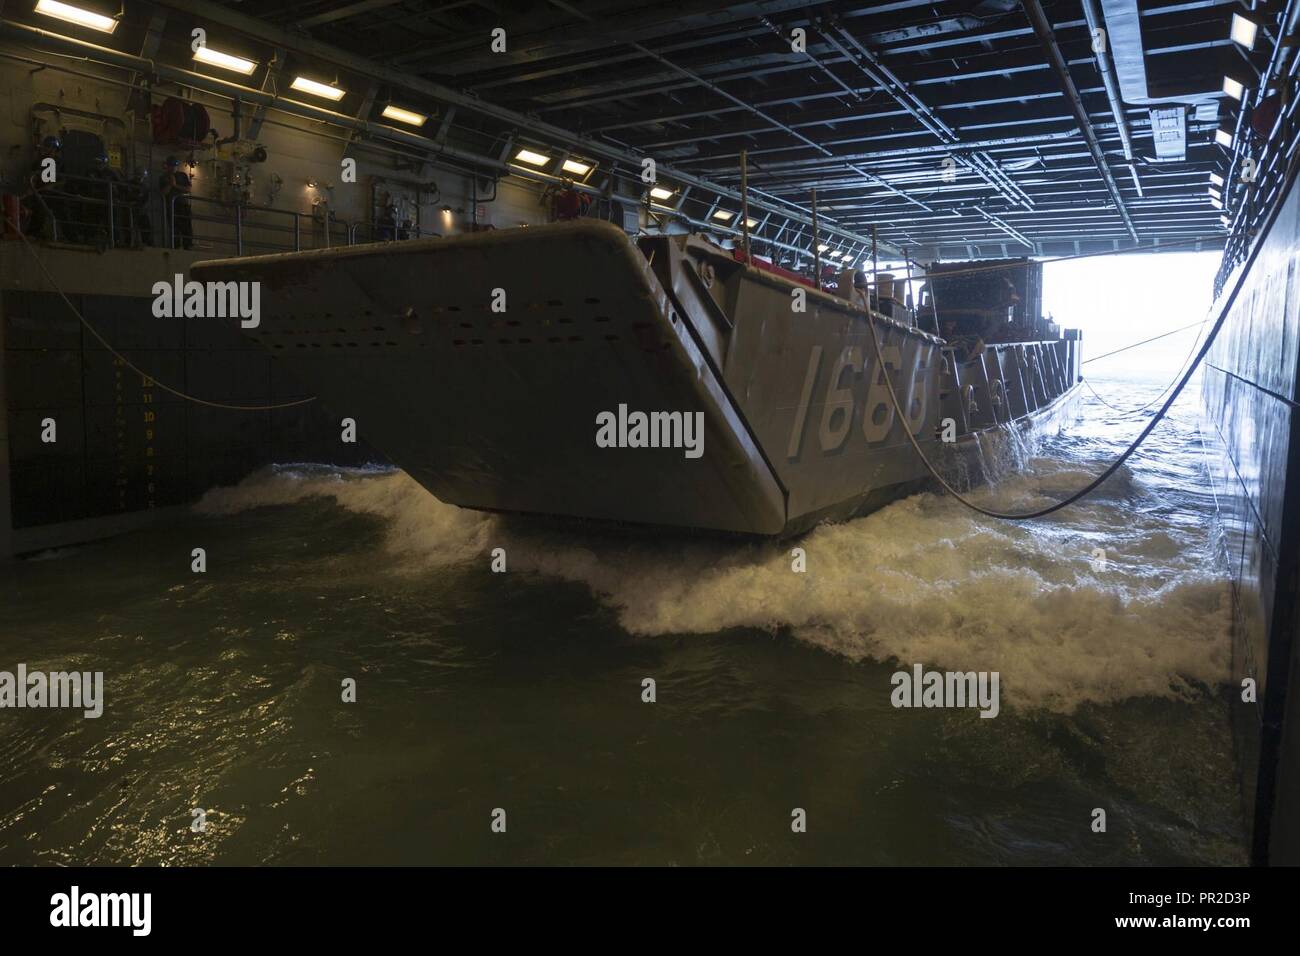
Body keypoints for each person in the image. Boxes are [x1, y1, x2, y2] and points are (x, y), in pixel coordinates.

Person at [22, 136, 63, 240]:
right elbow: (33, 178)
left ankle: (35, 232)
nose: (45, 148)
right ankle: (29, 230)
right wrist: (30, 191)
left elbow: (61, 181)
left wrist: (49, 188)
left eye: (48, 146)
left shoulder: (58, 163)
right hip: (38, 192)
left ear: (54, 148)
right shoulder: (39, 162)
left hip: (52, 194)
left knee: (42, 206)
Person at [85, 153, 123, 248]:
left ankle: (115, 239)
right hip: (95, 200)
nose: (98, 165)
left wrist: (118, 197)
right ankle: (90, 237)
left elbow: (121, 186)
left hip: (109, 201)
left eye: (100, 162)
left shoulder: (111, 173)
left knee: (111, 220)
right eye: (97, 162)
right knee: (93, 219)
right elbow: (86, 184)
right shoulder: (91, 172)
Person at [159, 155, 193, 249]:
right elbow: (163, 192)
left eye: (175, 165)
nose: (173, 167)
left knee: (186, 227)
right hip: (172, 206)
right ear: (168, 166)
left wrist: (175, 185)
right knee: (175, 227)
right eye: (172, 165)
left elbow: (188, 189)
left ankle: (187, 245)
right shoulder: (163, 177)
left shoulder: (182, 175)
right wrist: (170, 184)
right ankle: (176, 245)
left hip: (183, 205)